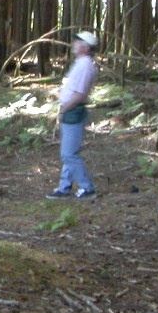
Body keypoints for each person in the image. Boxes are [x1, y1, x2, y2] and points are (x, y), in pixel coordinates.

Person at [47, 31, 99, 199]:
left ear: (85, 47)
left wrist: (64, 109)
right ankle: (64, 187)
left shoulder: (85, 65)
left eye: (77, 42)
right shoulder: (81, 63)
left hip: (73, 111)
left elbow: (79, 95)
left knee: (68, 154)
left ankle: (87, 187)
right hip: (71, 109)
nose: (74, 45)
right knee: (68, 151)